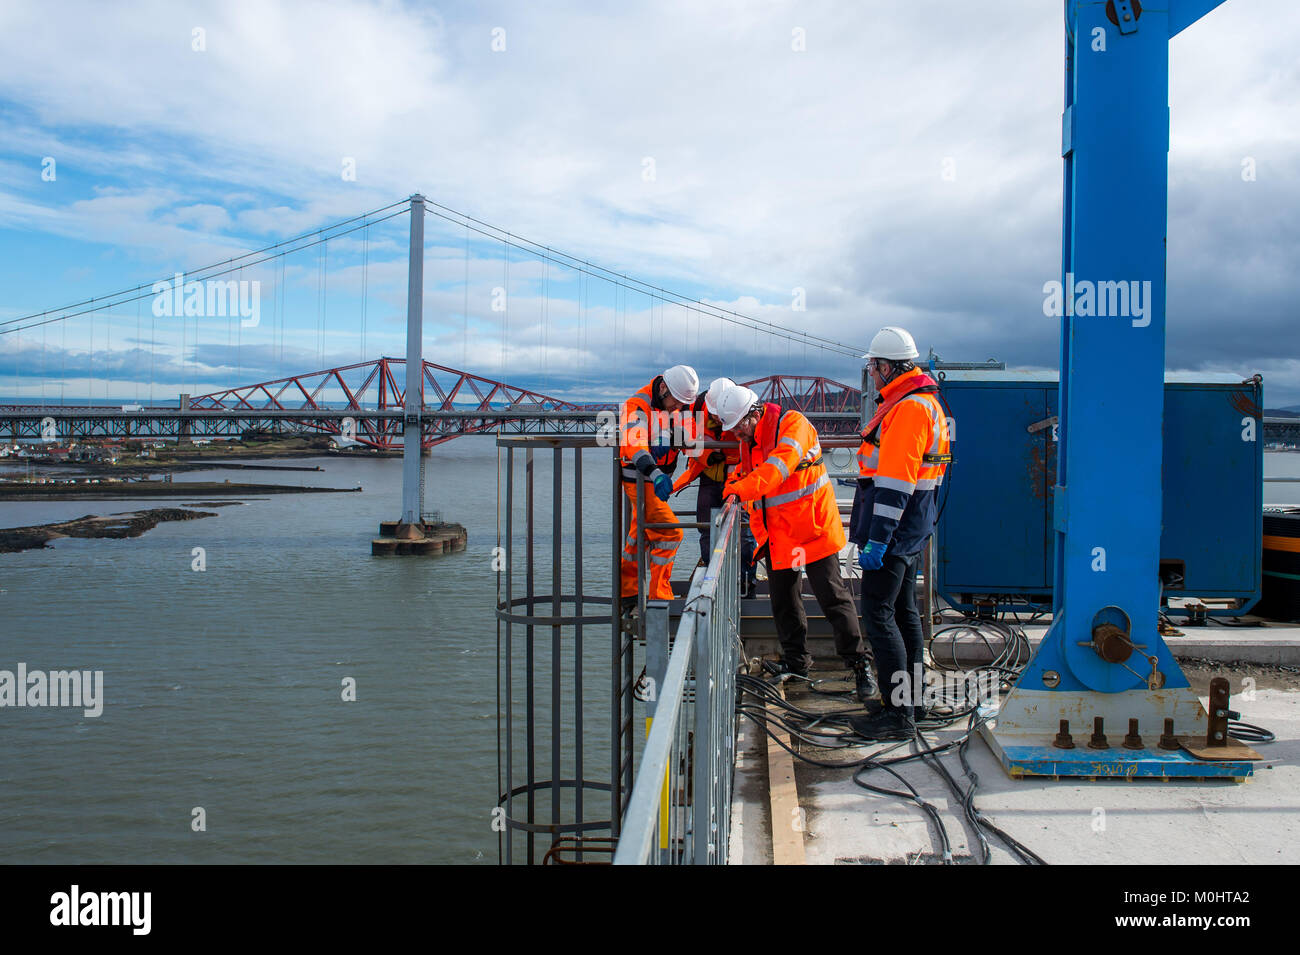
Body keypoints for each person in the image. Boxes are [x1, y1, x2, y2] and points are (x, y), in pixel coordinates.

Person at [718, 386, 878, 702]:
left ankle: (860, 666)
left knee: (833, 597)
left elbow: (776, 471)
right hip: (782, 534)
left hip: (813, 528)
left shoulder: (793, 425)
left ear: (755, 413)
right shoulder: (751, 439)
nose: (736, 433)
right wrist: (733, 485)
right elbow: (747, 472)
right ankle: (797, 664)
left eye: (739, 426)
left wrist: (739, 490)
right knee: (784, 601)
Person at [847, 327, 951, 740]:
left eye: (874, 366)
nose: (872, 373)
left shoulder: (908, 409)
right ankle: (914, 702)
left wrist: (878, 538)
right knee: (905, 613)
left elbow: (894, 483)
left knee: (878, 615)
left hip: (895, 528)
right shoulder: (927, 404)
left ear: (888, 367)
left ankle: (897, 714)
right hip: (913, 527)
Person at [619, 365, 699, 614]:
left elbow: (690, 437)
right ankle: (659, 597)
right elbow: (635, 446)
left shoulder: (679, 404)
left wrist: (674, 437)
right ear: (663, 388)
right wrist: (654, 472)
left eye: (683, 404)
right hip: (640, 480)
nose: (678, 407)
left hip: (659, 479)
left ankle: (628, 592)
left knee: (640, 533)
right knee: (670, 533)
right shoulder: (636, 405)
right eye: (676, 402)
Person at [673, 378, 757, 592]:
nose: (718, 421)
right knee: (706, 529)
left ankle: (747, 584)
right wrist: (710, 455)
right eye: (714, 415)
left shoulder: (741, 409)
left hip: (739, 479)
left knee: (746, 532)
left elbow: (752, 445)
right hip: (709, 477)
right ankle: (712, 585)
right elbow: (683, 439)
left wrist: (727, 458)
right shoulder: (693, 410)